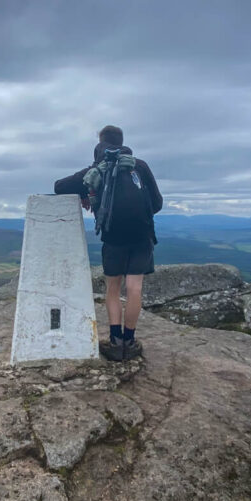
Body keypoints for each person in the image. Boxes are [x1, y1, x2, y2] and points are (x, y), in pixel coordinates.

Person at [53, 125, 163, 361]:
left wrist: (85, 194)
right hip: (142, 236)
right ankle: (130, 342)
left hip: (114, 237)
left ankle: (115, 342)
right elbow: (157, 203)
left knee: (113, 289)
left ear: (100, 143)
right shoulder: (139, 166)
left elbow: (59, 186)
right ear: (122, 142)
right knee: (135, 287)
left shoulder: (97, 170)